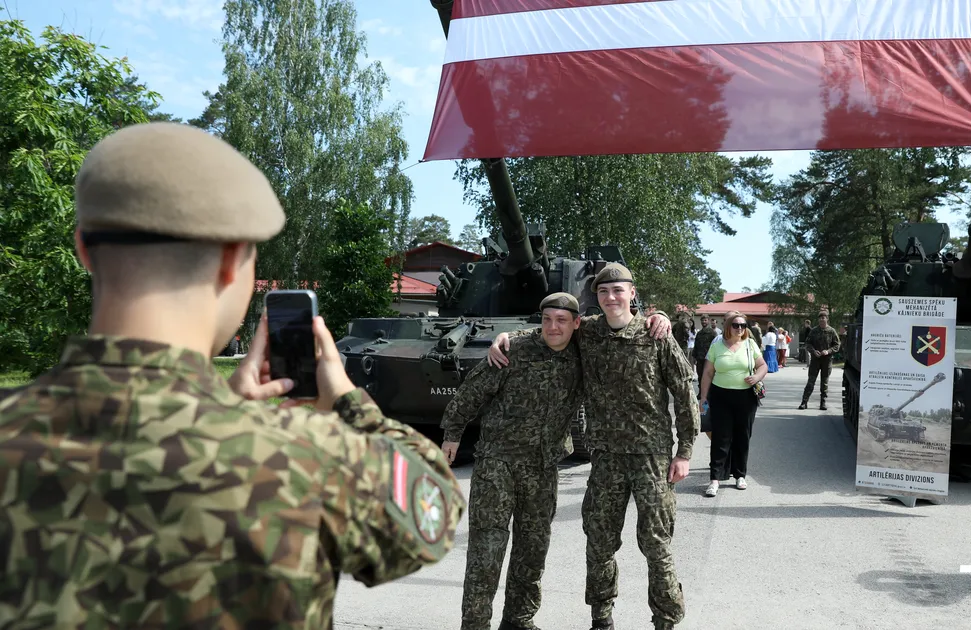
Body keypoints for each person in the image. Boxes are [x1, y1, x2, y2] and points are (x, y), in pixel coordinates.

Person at [0, 122, 465, 627]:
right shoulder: (309, 455)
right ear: (230, 263)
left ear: (84, 250)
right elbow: (435, 509)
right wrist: (347, 401)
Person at [486, 263, 697, 630]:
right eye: (603, 291)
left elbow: (684, 394)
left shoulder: (656, 335)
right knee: (599, 543)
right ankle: (601, 618)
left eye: (618, 290)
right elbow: (554, 331)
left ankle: (666, 620)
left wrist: (685, 452)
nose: (611, 297)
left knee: (656, 543)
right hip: (606, 459)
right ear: (597, 297)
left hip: (651, 457)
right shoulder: (590, 332)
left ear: (632, 293)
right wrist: (506, 337)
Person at [440, 293, 585, 630]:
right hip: (498, 463)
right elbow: (472, 391)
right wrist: (452, 433)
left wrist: (661, 317)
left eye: (561, 320)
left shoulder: (583, 353)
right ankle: (475, 624)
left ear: (576, 323)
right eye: (547, 319)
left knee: (533, 548)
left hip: (543, 467)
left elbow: (617, 326)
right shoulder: (513, 349)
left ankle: (519, 620)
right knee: (486, 549)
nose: (553, 327)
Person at [699, 311, 768, 496]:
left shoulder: (750, 344)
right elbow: (707, 373)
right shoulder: (717, 346)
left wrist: (757, 377)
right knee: (720, 437)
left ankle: (740, 475)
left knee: (742, 436)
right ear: (728, 326)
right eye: (736, 325)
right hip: (720, 396)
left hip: (746, 397)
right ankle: (715, 479)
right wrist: (703, 397)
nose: (739, 328)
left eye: (743, 325)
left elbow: (763, 365)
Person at [800, 311, 840, 410]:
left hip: (827, 360)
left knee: (824, 383)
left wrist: (828, 351)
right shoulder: (814, 331)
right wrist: (813, 351)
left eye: (824, 317)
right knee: (811, 382)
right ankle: (804, 402)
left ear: (827, 319)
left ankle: (823, 402)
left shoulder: (831, 331)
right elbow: (808, 343)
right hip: (815, 360)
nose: (822, 319)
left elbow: (837, 345)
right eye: (820, 318)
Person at [692, 316, 717, 382]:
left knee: (709, 377)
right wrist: (694, 357)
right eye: (702, 320)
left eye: (705, 320)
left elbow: (716, 346)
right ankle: (701, 389)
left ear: (708, 321)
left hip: (709, 359)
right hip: (700, 359)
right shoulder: (699, 333)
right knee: (700, 377)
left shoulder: (713, 333)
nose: (703, 322)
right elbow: (696, 345)